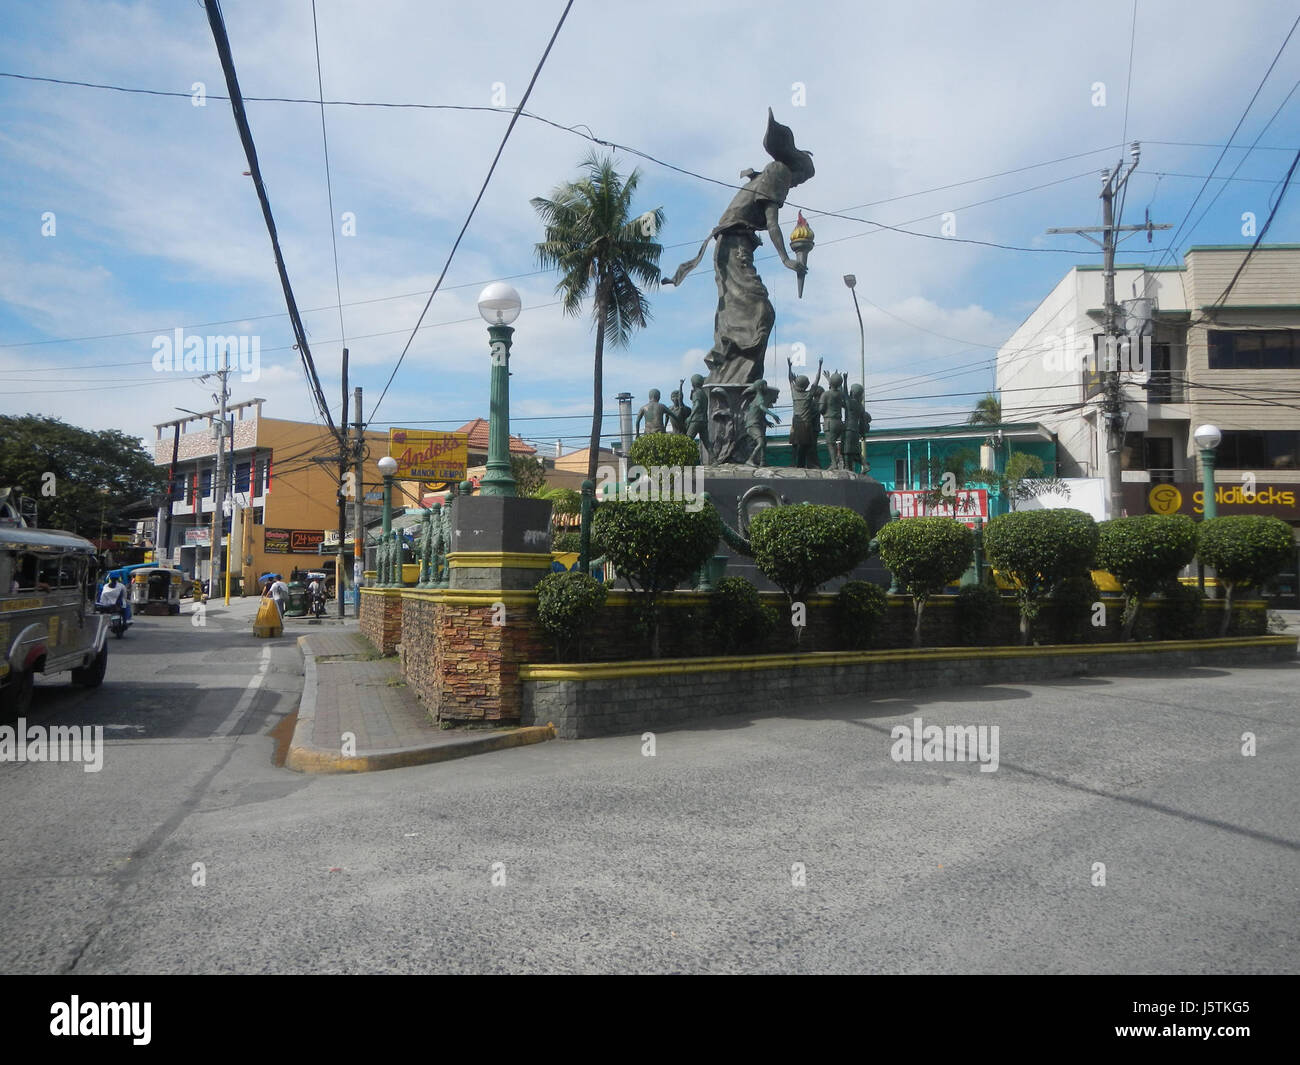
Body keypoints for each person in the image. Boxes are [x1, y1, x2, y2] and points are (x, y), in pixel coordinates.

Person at [662, 109, 815, 384]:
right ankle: (733, 370)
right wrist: (785, 260)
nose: (796, 184)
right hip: (733, 246)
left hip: (731, 245)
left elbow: (757, 189)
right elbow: (772, 223)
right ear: (797, 168)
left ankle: (730, 368)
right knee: (760, 310)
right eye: (800, 179)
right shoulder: (780, 172)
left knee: (743, 310)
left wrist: (752, 173)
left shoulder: (770, 174)